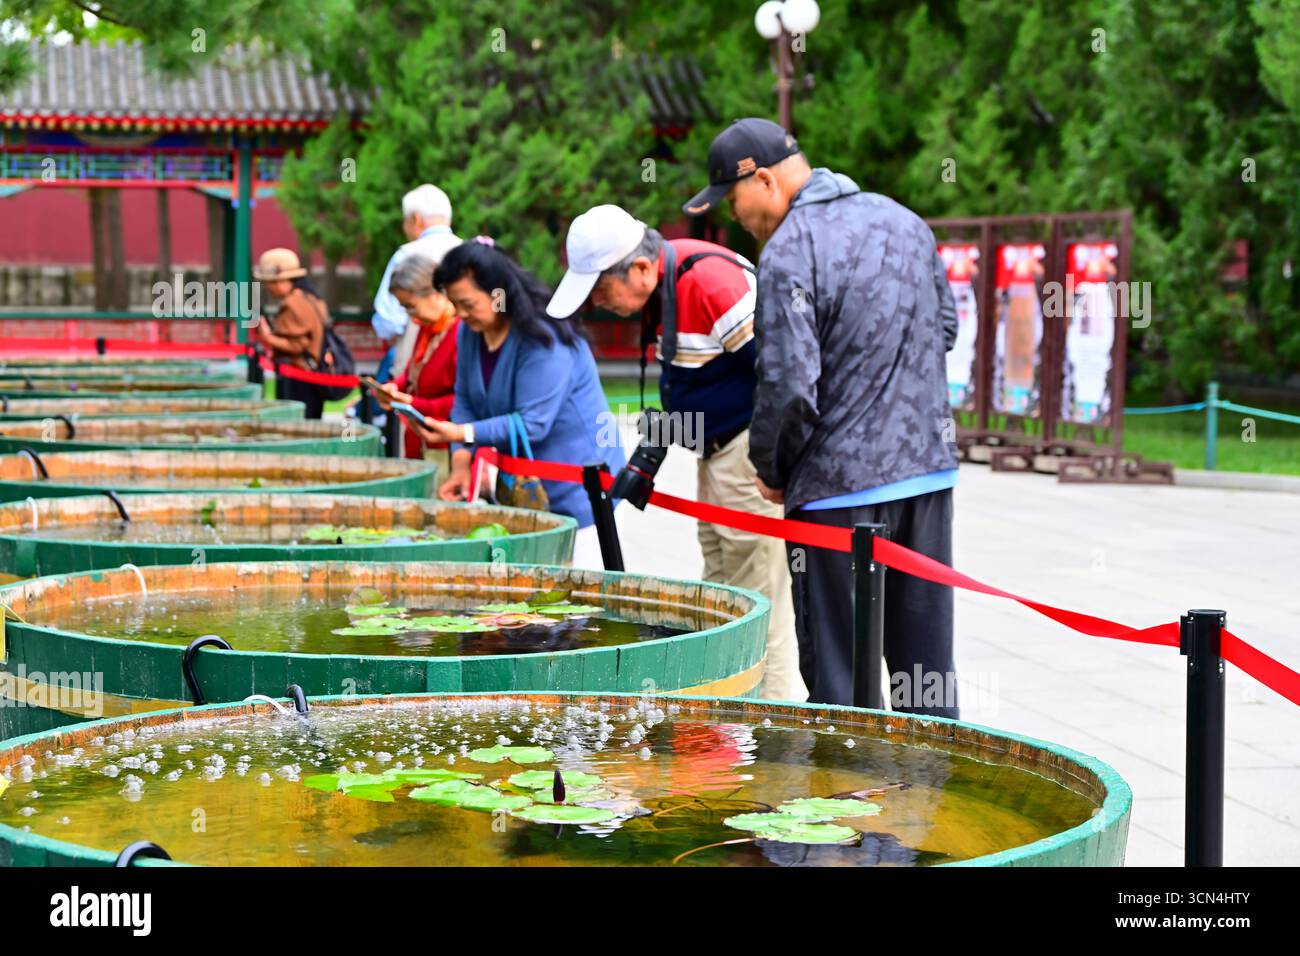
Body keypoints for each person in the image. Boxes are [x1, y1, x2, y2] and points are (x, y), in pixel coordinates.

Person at [684, 118, 959, 716]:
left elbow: (789, 385)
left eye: (733, 200)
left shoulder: (788, 249)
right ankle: (934, 801)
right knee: (927, 675)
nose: (735, 218)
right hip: (928, 479)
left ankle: (852, 805)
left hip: (838, 496)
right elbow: (945, 329)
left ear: (761, 180)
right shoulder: (905, 221)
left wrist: (771, 468)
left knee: (842, 681)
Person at [545, 204, 807, 703]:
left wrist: (772, 467)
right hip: (715, 454)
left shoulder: (707, 282)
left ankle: (771, 728)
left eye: (601, 289)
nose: (600, 303)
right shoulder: (664, 293)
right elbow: (684, 388)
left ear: (640, 268)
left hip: (747, 451)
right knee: (722, 592)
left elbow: (782, 374)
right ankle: (729, 717)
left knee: (759, 601)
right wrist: (648, 460)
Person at [408, 238, 626, 540]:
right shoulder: (472, 332)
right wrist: (460, 464)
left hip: (581, 488)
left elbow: (532, 424)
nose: (460, 314)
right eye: (455, 304)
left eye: (468, 304)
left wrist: (460, 434)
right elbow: (465, 403)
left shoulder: (544, 337)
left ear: (498, 294)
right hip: (525, 492)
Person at [369, 184, 462, 416]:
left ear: (416, 219)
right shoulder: (466, 251)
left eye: (411, 307)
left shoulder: (407, 255)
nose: (412, 317)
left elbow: (387, 321)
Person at [372, 253, 459, 470]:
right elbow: (414, 371)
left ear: (436, 294)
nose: (411, 317)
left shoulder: (460, 332)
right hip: (420, 440)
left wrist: (412, 404)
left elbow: (463, 399)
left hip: (447, 446)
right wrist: (395, 387)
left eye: (411, 306)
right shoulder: (428, 327)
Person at [251, 247, 329, 419]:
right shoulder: (310, 297)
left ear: (283, 280)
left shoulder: (294, 303)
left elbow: (297, 345)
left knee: (299, 425)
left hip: (298, 379)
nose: (269, 288)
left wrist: (267, 337)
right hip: (310, 377)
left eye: (270, 282)